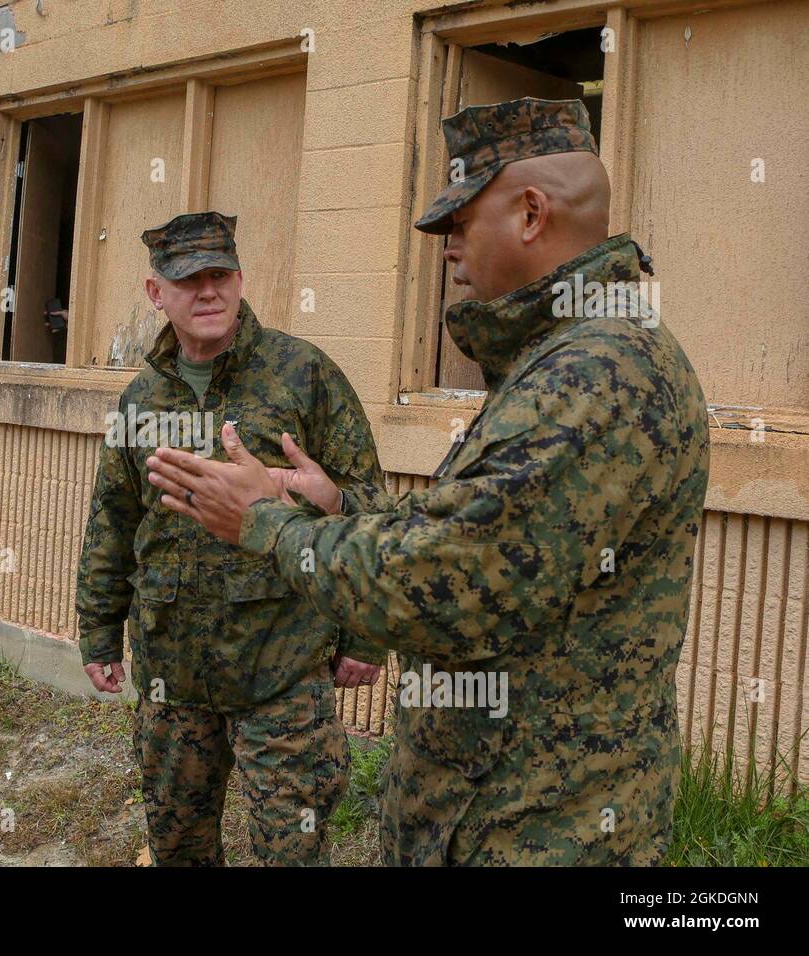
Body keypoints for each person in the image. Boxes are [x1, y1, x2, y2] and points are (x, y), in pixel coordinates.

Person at [144, 99, 710, 865]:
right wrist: (333, 505)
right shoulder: (572, 353)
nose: (446, 250)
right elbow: (474, 528)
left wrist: (262, 522)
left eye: (457, 224)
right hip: (499, 809)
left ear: (531, 213)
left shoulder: (595, 374)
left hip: (533, 827)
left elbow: (438, 582)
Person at [76, 211, 387, 865]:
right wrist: (100, 630)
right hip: (173, 680)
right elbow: (113, 522)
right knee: (178, 846)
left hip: (282, 667)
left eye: (220, 274)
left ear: (241, 280)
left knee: (290, 851)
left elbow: (368, 507)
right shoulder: (139, 403)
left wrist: (365, 635)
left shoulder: (302, 375)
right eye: (188, 279)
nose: (208, 291)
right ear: (156, 292)